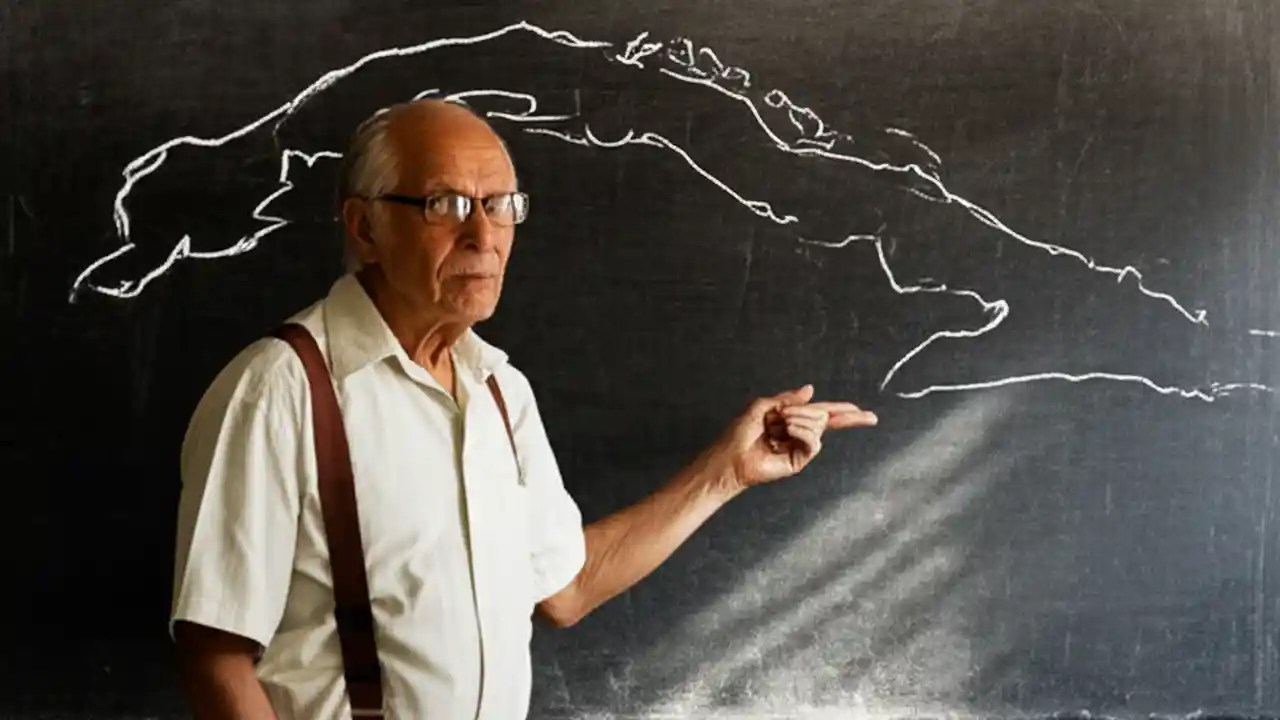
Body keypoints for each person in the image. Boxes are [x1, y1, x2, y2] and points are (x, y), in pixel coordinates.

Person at [169, 98, 879, 720]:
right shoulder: (279, 390)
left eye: (502, 205)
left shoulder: (500, 391)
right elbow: (215, 655)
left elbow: (565, 588)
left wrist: (728, 472)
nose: (484, 236)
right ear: (364, 228)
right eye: (445, 205)